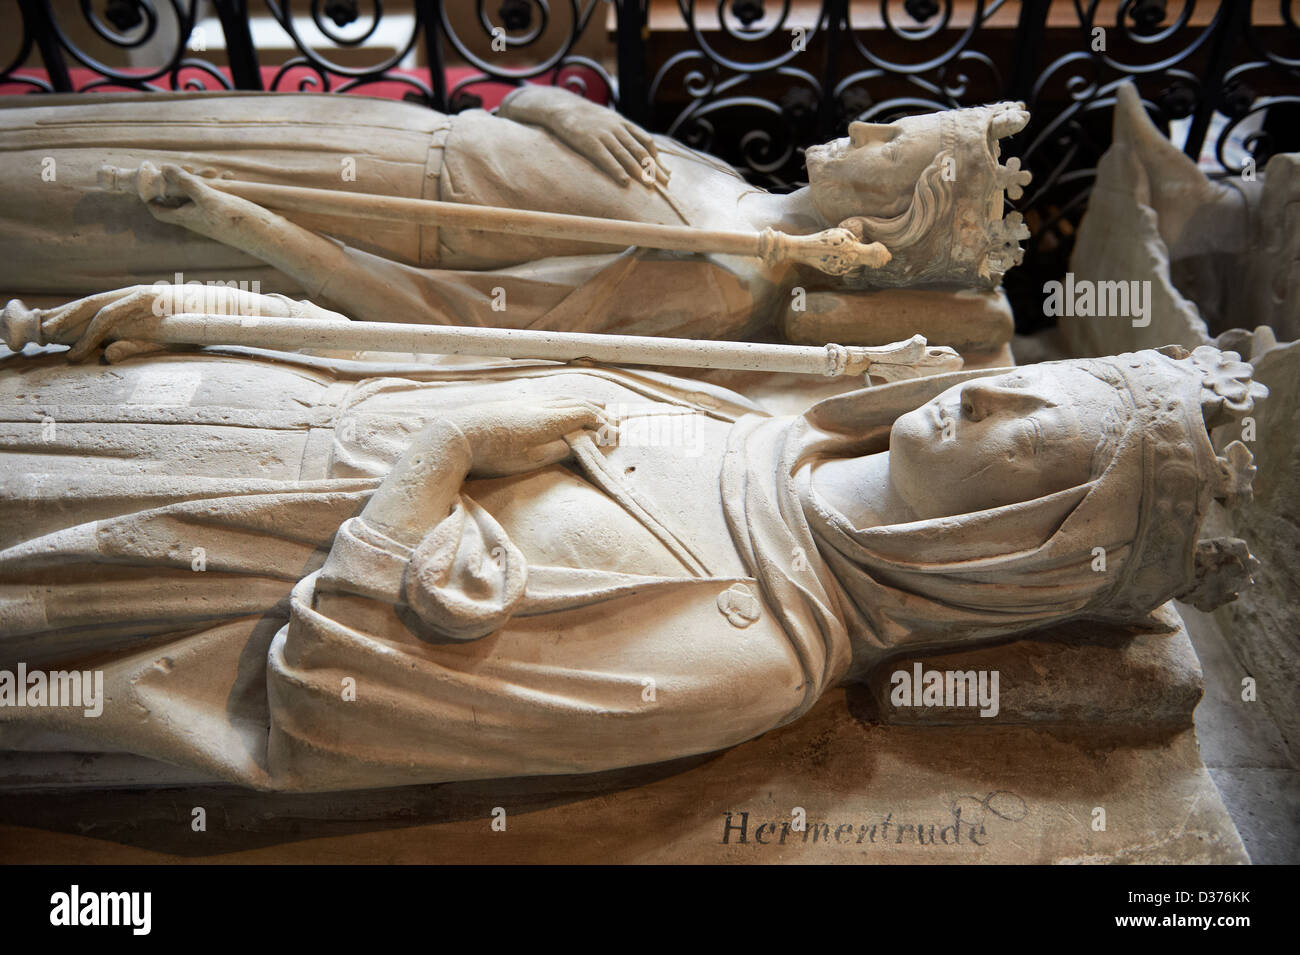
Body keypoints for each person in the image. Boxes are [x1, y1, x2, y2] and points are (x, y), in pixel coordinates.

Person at [0, 336, 1263, 791]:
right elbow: (433, 369)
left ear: (1036, 539)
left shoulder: (751, 648)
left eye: (1030, 423)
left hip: (138, 571)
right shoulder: (740, 422)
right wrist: (239, 324)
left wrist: (437, 460)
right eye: (1017, 373)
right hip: (189, 415)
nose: (983, 390)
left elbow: (330, 712)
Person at [0, 87, 1030, 341]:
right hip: (386, 140)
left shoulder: (724, 279)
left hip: (359, 214)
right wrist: (564, 105)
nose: (859, 132)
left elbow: (445, 318)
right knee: (64, 141)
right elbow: (511, 116)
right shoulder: (731, 184)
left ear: (891, 217)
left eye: (889, 146)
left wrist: (234, 226)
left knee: (70, 202)